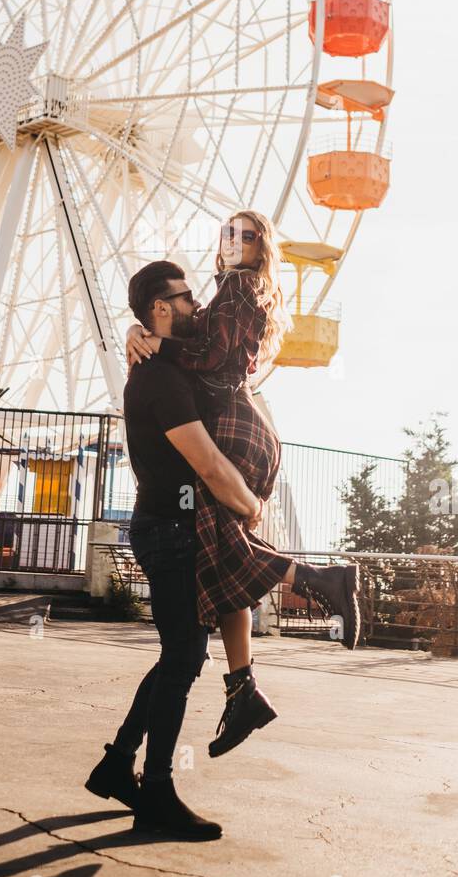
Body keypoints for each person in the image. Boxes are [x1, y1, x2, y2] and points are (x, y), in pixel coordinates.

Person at [123, 212, 361, 757]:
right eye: (228, 232)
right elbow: (190, 331)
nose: (234, 241)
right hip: (244, 420)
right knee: (225, 553)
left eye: (247, 235)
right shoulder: (224, 295)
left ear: (261, 248)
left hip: (235, 425)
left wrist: (155, 343)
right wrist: (138, 330)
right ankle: (242, 687)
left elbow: (207, 356)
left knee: (219, 538)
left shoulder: (237, 290)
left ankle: (325, 581)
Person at [85, 259, 270, 840]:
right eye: (186, 298)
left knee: (179, 656)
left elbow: (224, 354)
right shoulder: (159, 381)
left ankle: (119, 766)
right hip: (169, 532)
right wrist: (249, 505)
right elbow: (209, 463)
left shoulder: (166, 364)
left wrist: (140, 336)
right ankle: (156, 793)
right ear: (161, 308)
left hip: (172, 529)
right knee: (183, 657)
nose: (198, 306)